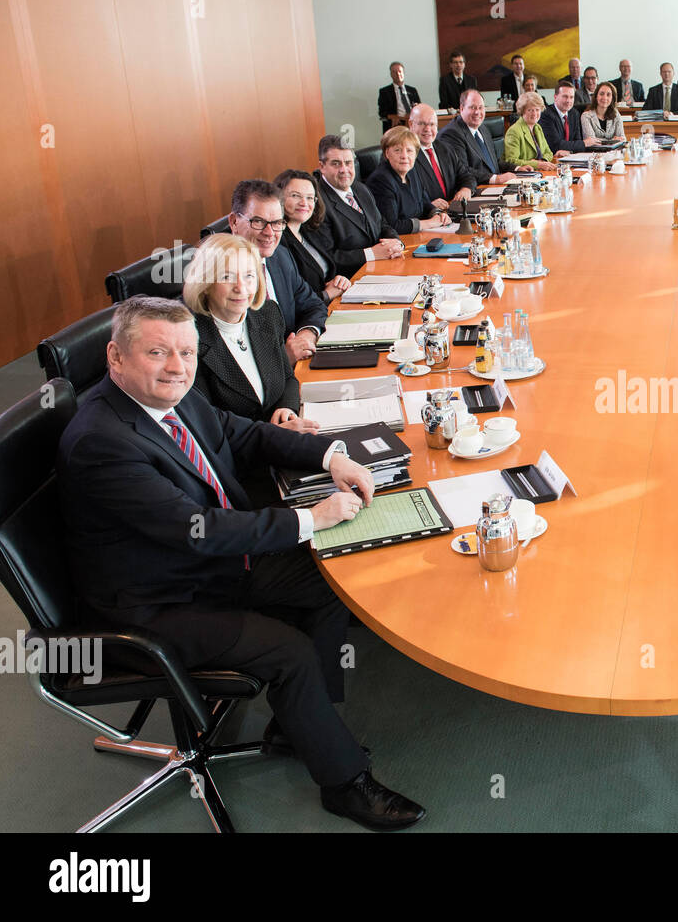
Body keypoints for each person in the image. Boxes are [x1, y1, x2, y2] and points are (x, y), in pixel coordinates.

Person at [58, 296, 427, 830]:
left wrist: (330, 455)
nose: (178, 366)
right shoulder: (102, 441)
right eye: (157, 352)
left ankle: (295, 727)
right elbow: (197, 530)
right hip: (153, 604)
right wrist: (311, 520)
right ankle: (344, 784)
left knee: (329, 584)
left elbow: (241, 433)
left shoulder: (168, 396)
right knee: (290, 651)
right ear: (115, 357)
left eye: (186, 352)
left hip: (206, 565)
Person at [184, 234, 315, 441]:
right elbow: (209, 424)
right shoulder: (188, 340)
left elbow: (287, 377)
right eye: (227, 277)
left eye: (249, 276)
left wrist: (286, 409)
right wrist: (273, 435)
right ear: (205, 282)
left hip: (283, 439)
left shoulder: (267, 314)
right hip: (240, 456)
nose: (241, 287)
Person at [227, 179, 329, 362]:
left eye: (276, 223)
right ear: (234, 222)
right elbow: (231, 359)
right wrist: (283, 358)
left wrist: (306, 334)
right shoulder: (219, 277)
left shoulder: (280, 257)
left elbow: (313, 305)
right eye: (258, 221)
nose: (269, 232)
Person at [313, 136, 403, 279]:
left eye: (348, 163)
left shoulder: (360, 188)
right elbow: (327, 258)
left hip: (381, 270)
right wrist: (371, 254)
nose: (344, 170)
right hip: (350, 280)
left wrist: (394, 242)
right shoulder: (316, 203)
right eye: (336, 164)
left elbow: (381, 223)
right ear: (322, 166)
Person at [274, 169, 351, 303]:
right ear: (279, 198)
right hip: (311, 315)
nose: (304, 203)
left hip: (333, 303)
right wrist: (326, 294)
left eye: (309, 197)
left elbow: (327, 272)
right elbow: (291, 301)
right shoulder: (276, 241)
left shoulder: (309, 230)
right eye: (295, 196)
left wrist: (339, 281)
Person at [365, 126, 454, 234]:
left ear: (416, 154)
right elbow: (391, 225)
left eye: (409, 151)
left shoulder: (411, 171)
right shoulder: (380, 181)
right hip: (399, 241)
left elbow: (423, 201)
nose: (404, 156)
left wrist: (437, 214)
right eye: (397, 150)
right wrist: (430, 223)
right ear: (387, 153)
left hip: (419, 235)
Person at [437, 90, 513, 186]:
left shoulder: (483, 129)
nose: (477, 112)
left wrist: (517, 168)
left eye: (480, 107)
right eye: (472, 107)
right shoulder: (452, 133)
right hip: (474, 190)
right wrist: (495, 179)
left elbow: (494, 163)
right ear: (461, 108)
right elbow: (462, 170)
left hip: (495, 187)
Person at [406, 103, 476, 209]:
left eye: (432, 124)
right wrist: (428, 206)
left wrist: (466, 189)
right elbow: (404, 198)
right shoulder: (405, 154)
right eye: (422, 124)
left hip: (452, 211)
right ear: (411, 124)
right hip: (427, 218)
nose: (428, 129)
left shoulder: (445, 148)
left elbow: (466, 175)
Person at [503, 93, 566, 171]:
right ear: (522, 111)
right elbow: (511, 161)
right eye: (530, 110)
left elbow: (548, 152)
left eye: (537, 110)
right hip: (525, 175)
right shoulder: (514, 131)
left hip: (540, 173)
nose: (534, 114)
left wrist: (543, 161)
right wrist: (537, 164)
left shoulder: (537, 127)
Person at [542, 81, 596, 153]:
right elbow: (555, 145)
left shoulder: (574, 113)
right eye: (565, 96)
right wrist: (584, 143)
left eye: (571, 97)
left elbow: (577, 141)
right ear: (555, 97)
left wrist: (573, 149)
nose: (568, 101)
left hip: (571, 157)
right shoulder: (546, 115)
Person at [377, 61, 419, 132]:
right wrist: (393, 117)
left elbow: (420, 107)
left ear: (403, 73)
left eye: (400, 71)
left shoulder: (412, 90)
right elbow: (382, 112)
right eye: (394, 72)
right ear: (391, 74)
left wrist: (417, 107)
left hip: (413, 122)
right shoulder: (385, 91)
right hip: (396, 123)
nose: (398, 74)